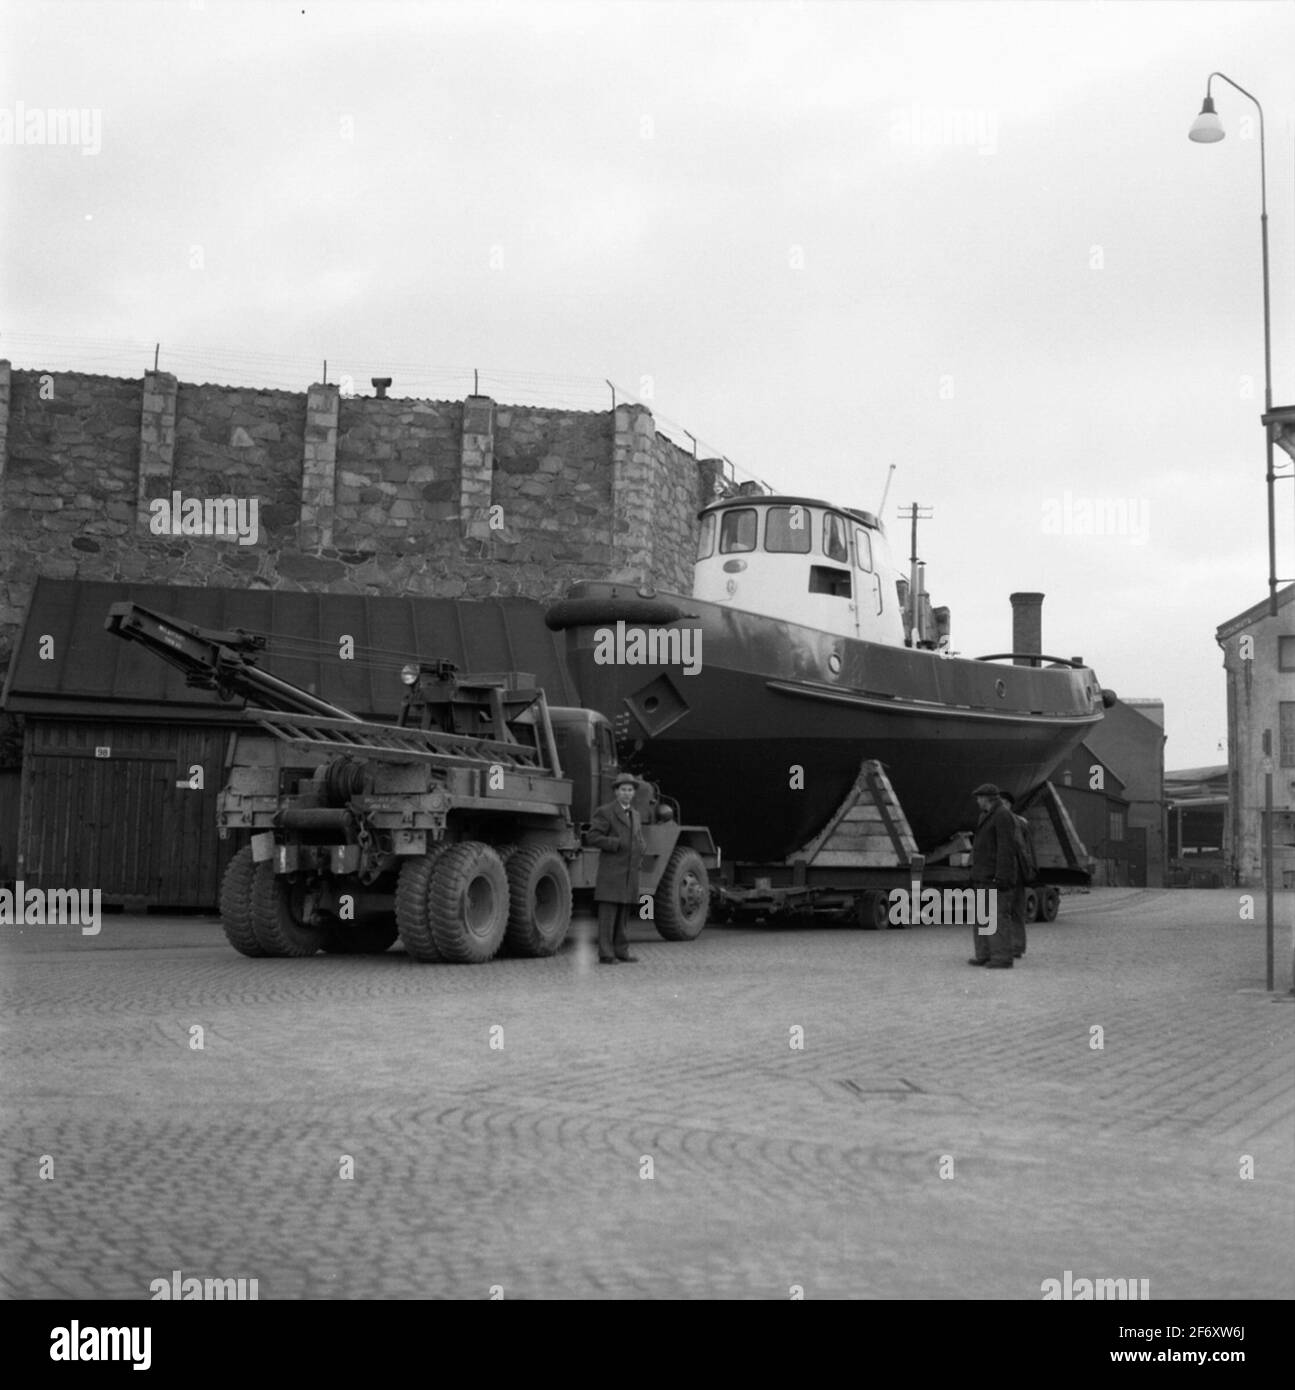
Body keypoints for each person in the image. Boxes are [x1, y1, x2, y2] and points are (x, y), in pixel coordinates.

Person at [585, 773, 646, 964]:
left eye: (629, 790)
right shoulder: (605, 812)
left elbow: (637, 837)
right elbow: (592, 837)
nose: (626, 793)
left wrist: (641, 847)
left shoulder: (635, 814)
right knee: (608, 917)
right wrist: (616, 843)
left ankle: (621, 951)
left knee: (623, 916)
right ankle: (606, 954)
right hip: (611, 873)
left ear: (634, 793)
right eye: (623, 790)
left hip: (629, 873)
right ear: (616, 792)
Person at [968, 782, 1019, 969]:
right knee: (982, 917)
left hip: (994, 878)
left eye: (979, 798)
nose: (977, 801)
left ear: (987, 798)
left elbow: (1006, 849)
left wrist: (1002, 877)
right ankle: (984, 954)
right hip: (983, 876)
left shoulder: (1002, 816)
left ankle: (1002, 957)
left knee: (997, 918)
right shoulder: (986, 816)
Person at [1000, 790, 1037, 960]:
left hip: (1009, 873)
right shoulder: (1022, 822)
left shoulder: (1007, 822)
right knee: (1016, 912)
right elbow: (1029, 850)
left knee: (1005, 911)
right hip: (1019, 874)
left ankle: (1008, 946)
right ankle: (1017, 947)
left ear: (1006, 804)